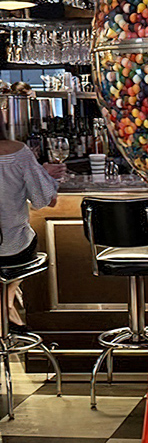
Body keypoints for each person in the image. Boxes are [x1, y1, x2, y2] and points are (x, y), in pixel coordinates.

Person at [0, 111, 64, 333]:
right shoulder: (17, 152)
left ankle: (6, 308)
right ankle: (6, 307)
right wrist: (43, 173)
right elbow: (46, 201)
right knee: (20, 242)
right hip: (13, 250)